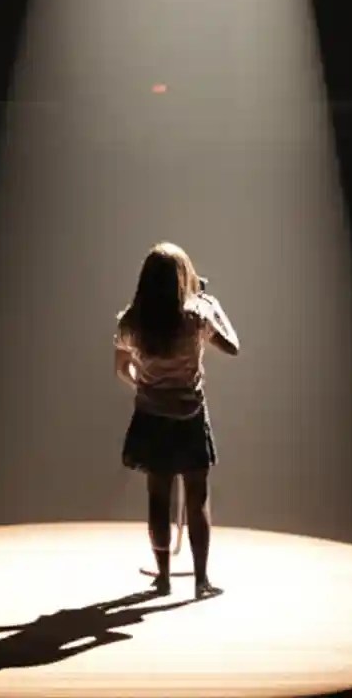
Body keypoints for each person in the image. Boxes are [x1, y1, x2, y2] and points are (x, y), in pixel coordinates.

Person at [113, 242, 239, 599]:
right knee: (197, 497)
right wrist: (214, 307)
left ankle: (164, 577)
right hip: (189, 417)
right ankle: (201, 581)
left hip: (151, 417)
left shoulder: (131, 322)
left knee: (157, 497)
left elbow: (122, 367)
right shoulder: (196, 318)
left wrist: (144, 381)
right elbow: (232, 345)